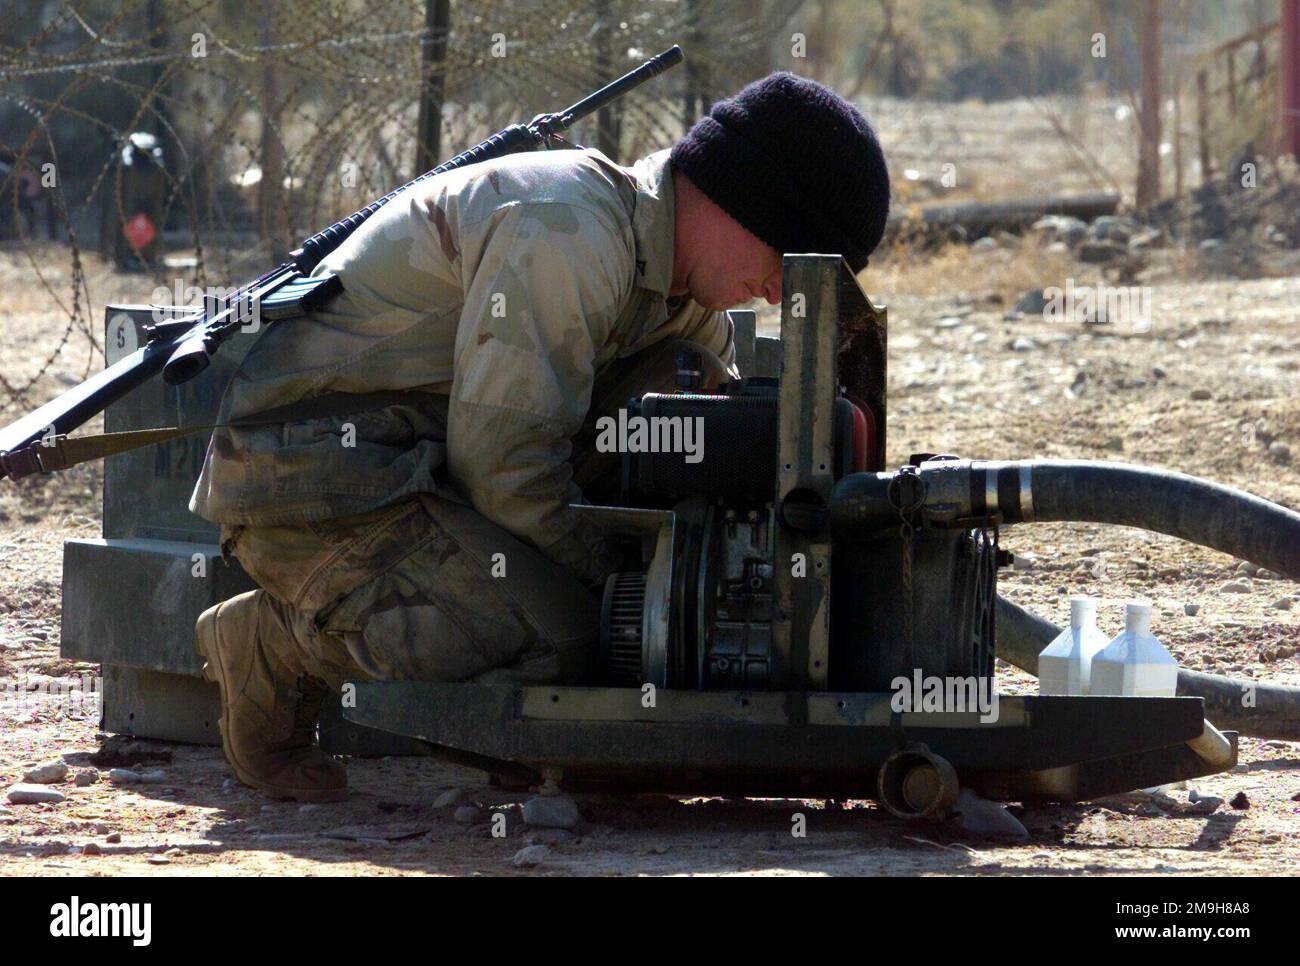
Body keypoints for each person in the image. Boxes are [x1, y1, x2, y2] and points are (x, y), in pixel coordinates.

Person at [190, 71, 891, 801]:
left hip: (425, 469)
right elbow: (506, 467)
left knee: (693, 383)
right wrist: (624, 594)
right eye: (788, 259)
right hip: (313, 478)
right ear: (743, 198)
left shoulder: (684, 305)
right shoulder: (568, 229)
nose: (780, 291)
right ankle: (275, 644)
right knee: (567, 647)